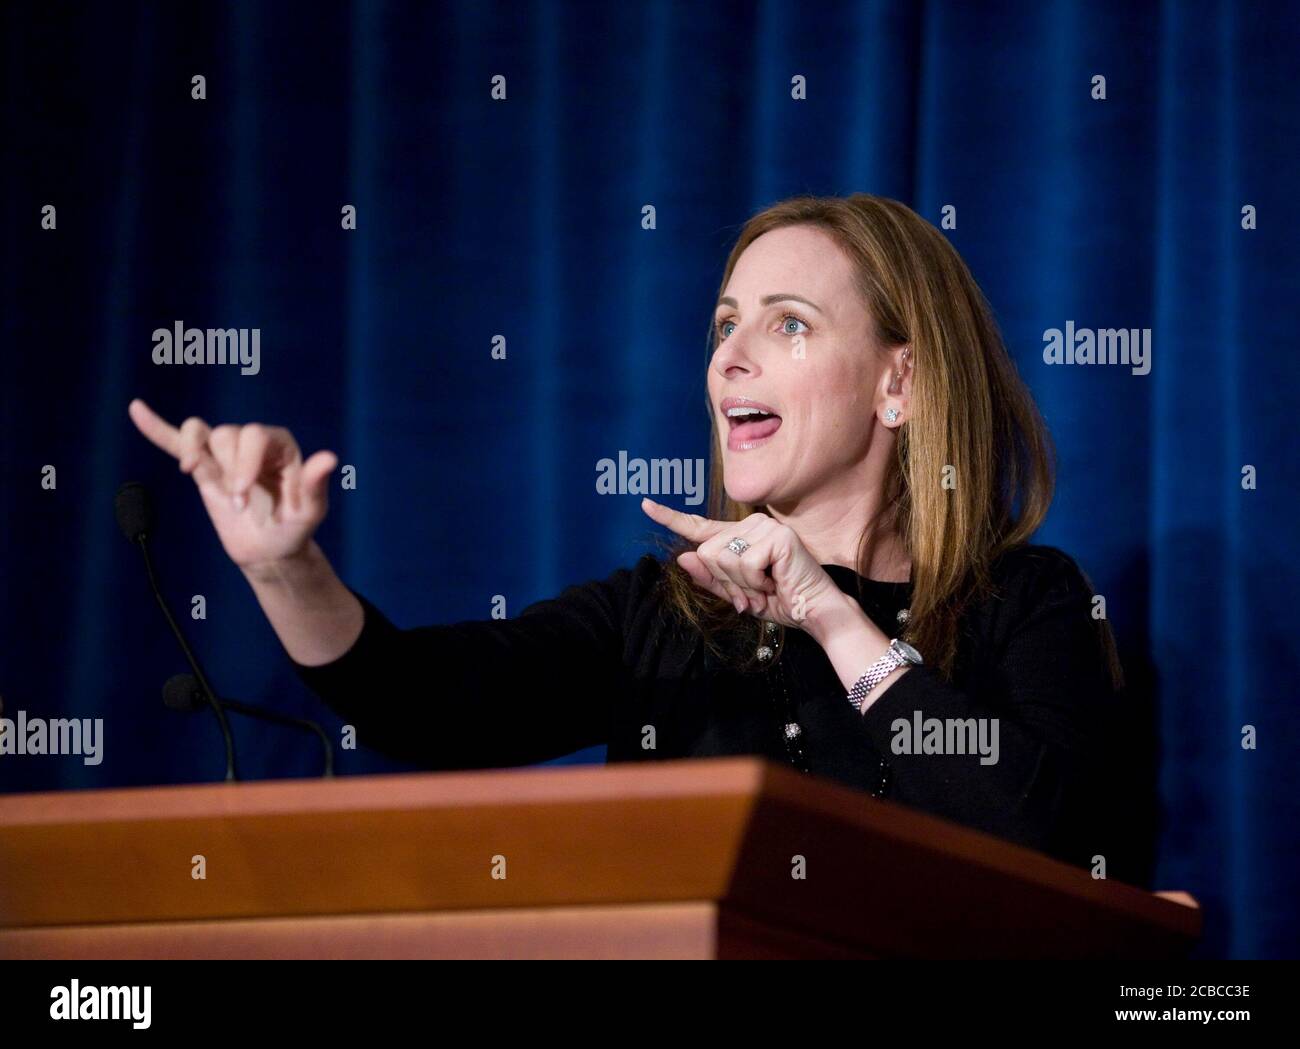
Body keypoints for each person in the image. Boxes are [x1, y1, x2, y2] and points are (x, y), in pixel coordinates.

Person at [128, 193, 1126, 873]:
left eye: (786, 324)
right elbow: (422, 702)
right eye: (724, 324)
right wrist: (282, 563)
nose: (728, 356)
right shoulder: (664, 614)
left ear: (897, 382)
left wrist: (832, 619)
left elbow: (1049, 836)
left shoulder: (1025, 600)